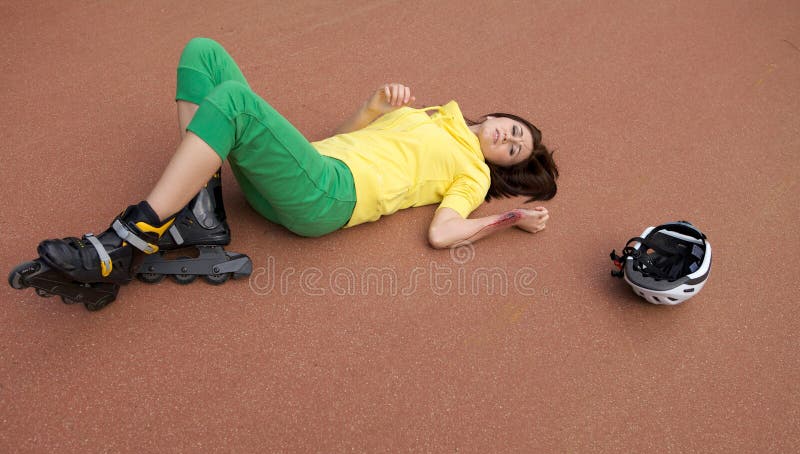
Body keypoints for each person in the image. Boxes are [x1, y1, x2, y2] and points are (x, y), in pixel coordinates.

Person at [10, 37, 558, 309]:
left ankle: (124, 240)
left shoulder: (473, 175)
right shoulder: (431, 114)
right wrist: (371, 106)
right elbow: (349, 136)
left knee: (234, 101)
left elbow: (443, 233)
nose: (508, 140)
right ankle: (199, 212)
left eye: (514, 151)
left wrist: (509, 217)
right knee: (204, 54)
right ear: (499, 115)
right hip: (313, 167)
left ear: (499, 165)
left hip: (329, 197)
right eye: (514, 130)